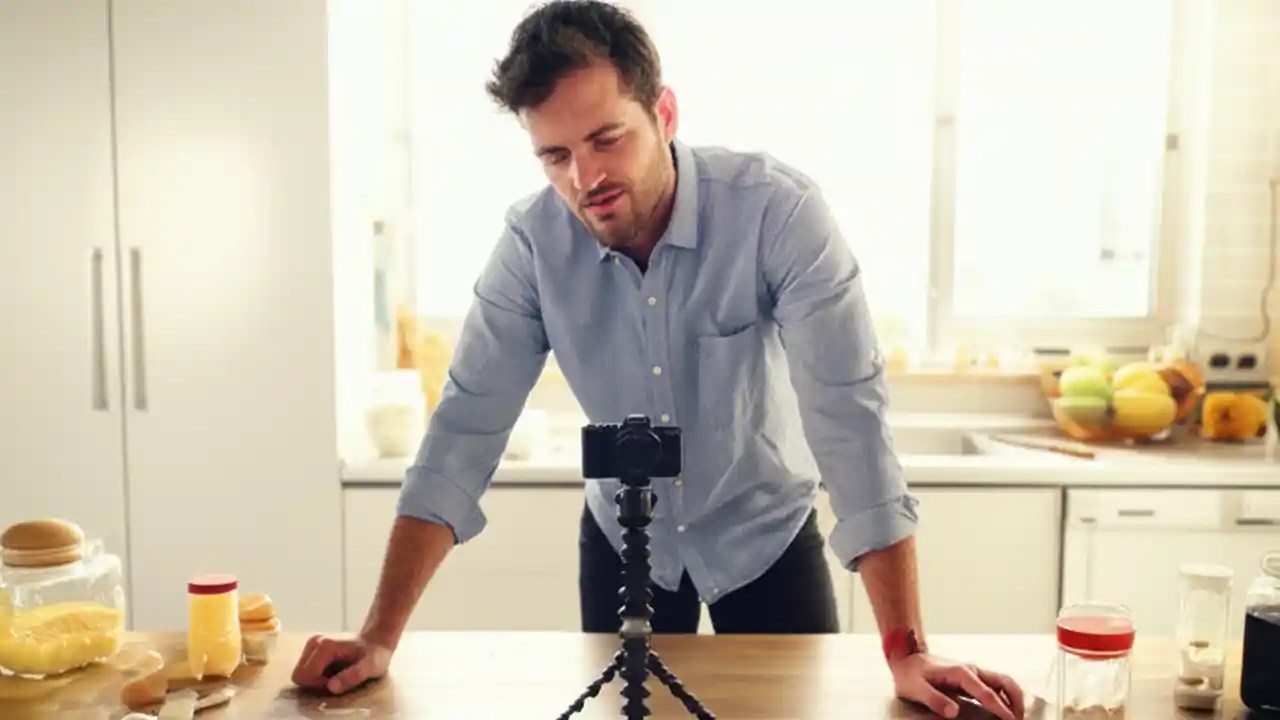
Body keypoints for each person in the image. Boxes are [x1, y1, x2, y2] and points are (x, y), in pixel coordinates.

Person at [293, 2, 1025, 718]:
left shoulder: (778, 214)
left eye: (607, 139)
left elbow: (850, 423)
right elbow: (463, 432)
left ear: (664, 114)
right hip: (623, 545)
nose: (584, 179)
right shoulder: (531, 247)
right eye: (555, 155)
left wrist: (907, 650)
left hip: (764, 534)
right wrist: (378, 636)